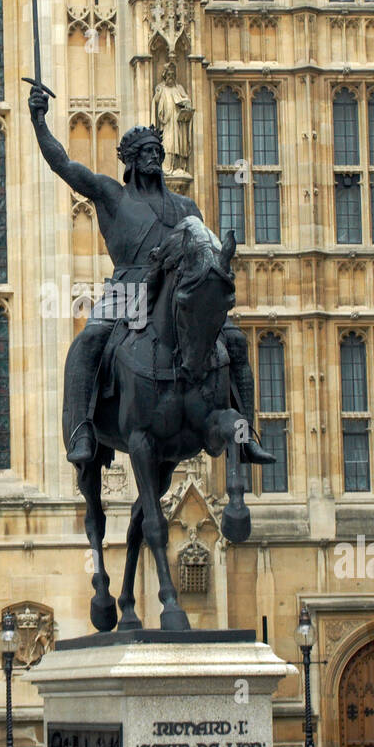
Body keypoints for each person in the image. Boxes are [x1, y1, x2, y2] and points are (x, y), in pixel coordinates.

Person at [28, 84, 274, 467]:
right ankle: (81, 432)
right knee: (90, 341)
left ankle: (247, 436)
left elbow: (203, 251)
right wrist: (39, 121)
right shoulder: (112, 196)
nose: (153, 158)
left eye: (157, 152)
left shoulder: (184, 206)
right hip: (127, 289)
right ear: (129, 160)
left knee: (236, 344)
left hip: (175, 295)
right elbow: (65, 166)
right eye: (145, 153)